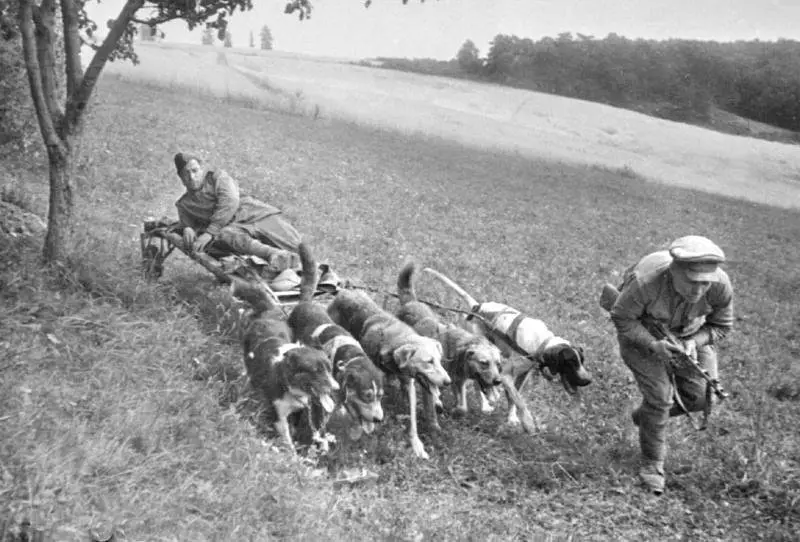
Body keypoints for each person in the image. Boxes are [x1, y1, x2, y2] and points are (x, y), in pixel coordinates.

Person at [609, 235, 734, 495]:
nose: (699, 290)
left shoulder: (720, 284)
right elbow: (622, 318)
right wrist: (653, 345)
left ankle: (645, 417)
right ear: (674, 270)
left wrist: (694, 340)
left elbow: (721, 326)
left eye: (705, 283)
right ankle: (652, 465)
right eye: (692, 281)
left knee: (701, 398)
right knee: (660, 397)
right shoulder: (647, 283)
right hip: (643, 335)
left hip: (687, 337)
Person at [173, 152, 302, 273]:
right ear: (180, 177)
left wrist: (210, 232)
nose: (191, 177)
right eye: (186, 174)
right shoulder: (184, 204)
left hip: (257, 215)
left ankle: (309, 268)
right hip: (237, 229)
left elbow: (230, 201)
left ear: (202, 169)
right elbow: (187, 224)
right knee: (226, 234)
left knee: (298, 248)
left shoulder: (217, 178)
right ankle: (275, 255)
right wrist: (188, 228)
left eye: (195, 171)